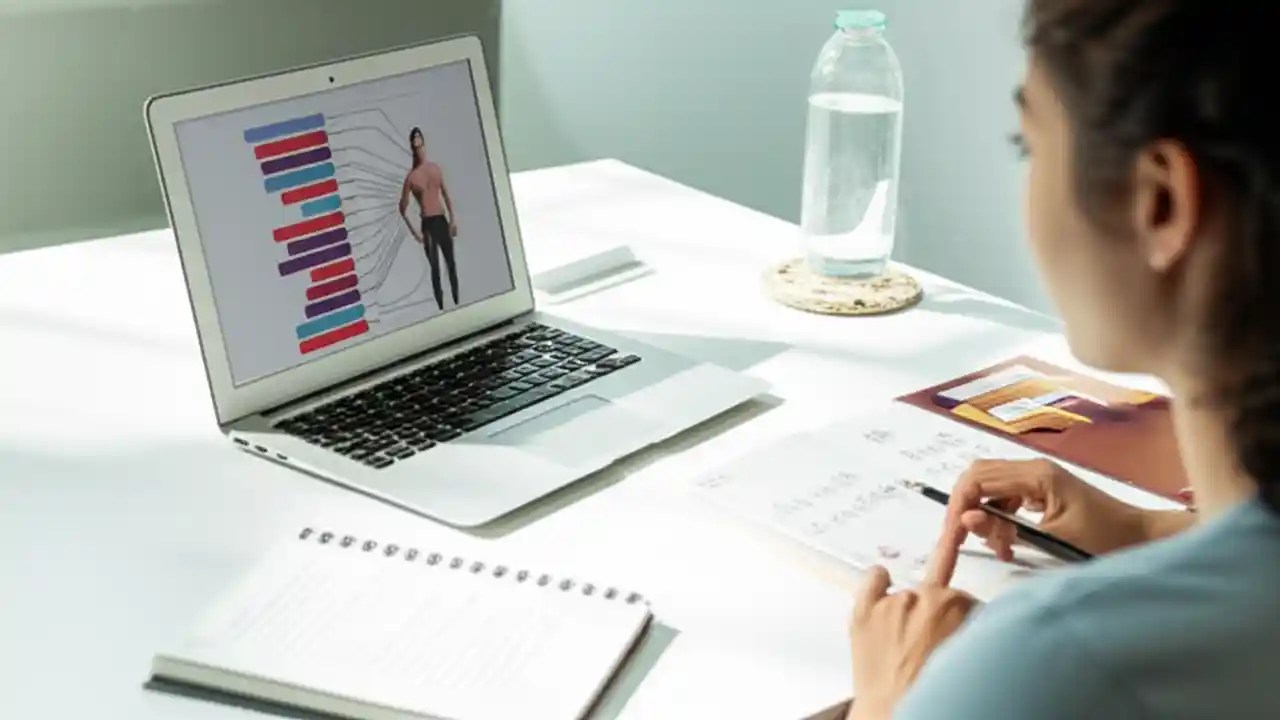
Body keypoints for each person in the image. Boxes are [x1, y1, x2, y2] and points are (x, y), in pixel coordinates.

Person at [848, 2, 1280, 718]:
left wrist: (889, 702)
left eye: (1029, 145)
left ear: (1161, 203)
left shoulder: (1051, 664)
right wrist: (1146, 530)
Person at [399, 126, 460, 310]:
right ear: (412, 146)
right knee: (435, 267)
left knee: (451, 262)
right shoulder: (411, 177)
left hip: (441, 219)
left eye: (419, 138)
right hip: (427, 223)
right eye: (414, 140)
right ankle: (441, 307)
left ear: (423, 142)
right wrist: (415, 232)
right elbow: (402, 208)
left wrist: (453, 219)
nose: (417, 143)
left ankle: (457, 302)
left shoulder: (435, 168)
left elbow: (446, 194)